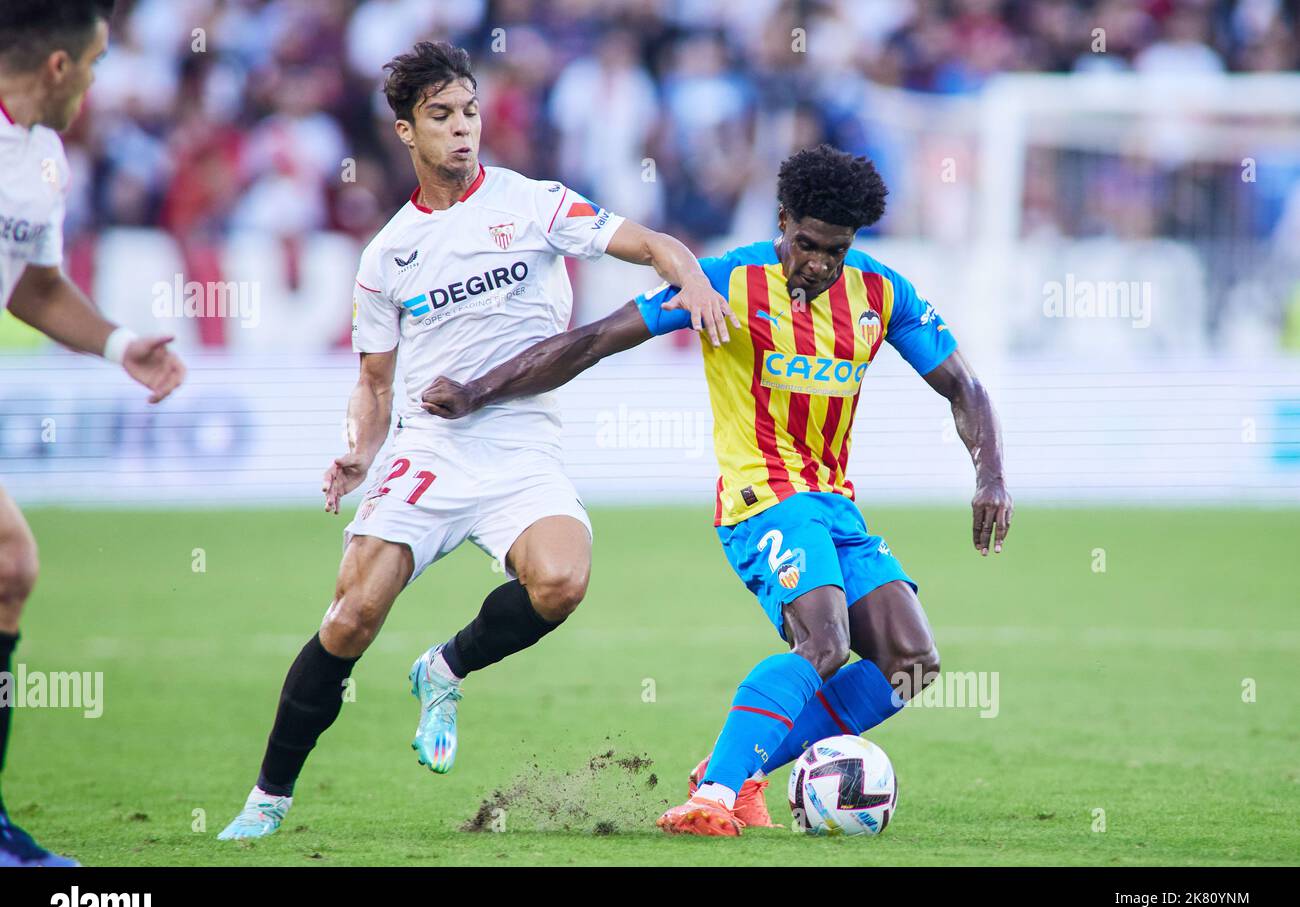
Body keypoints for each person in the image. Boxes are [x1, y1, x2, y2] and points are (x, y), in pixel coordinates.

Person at [419, 144, 1014, 836]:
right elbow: (595, 340)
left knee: (910, 663)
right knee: (824, 644)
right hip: (762, 501)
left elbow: (965, 387)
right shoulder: (725, 282)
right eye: (808, 244)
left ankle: (735, 767)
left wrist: (991, 475)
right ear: (783, 220)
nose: (819, 265)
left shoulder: (883, 293)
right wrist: (477, 390)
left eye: (837, 251)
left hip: (833, 505)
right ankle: (713, 797)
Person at [217, 41, 731, 840]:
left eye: (469, 112)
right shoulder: (387, 256)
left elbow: (655, 246)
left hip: (522, 444)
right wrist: (359, 449)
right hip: (429, 448)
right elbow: (375, 384)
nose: (462, 128)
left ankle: (444, 668)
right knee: (352, 617)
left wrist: (691, 278)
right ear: (406, 132)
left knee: (561, 582)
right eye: (441, 116)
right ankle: (267, 800)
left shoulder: (535, 204)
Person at [0, 0, 186, 866]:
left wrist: (118, 345)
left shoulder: (42, 160)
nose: (99, 79)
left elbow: (32, 286)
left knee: (8, 567)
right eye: (97, 61)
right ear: (59, 66)